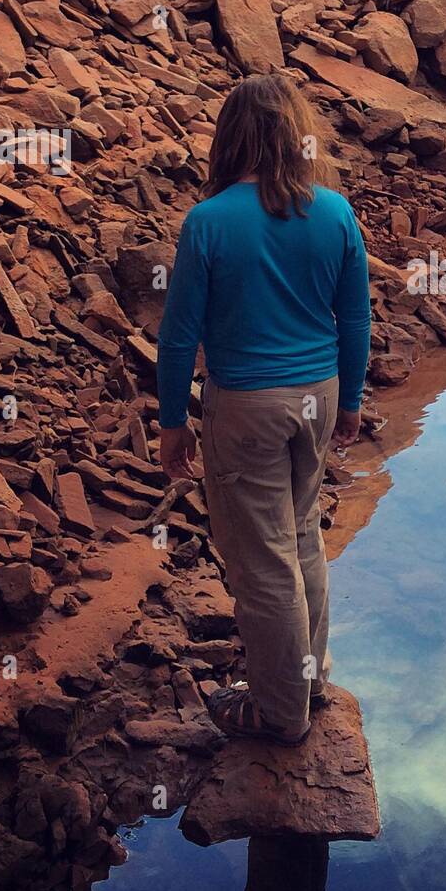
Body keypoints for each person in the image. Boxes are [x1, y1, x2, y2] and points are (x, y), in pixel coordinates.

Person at [156, 73, 370, 746]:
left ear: (230, 140)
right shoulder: (335, 212)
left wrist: (171, 422)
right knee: (303, 536)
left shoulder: (208, 222)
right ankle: (308, 681)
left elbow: (178, 335)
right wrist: (353, 400)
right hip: (318, 395)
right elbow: (356, 319)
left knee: (263, 562)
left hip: (246, 404)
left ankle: (280, 713)